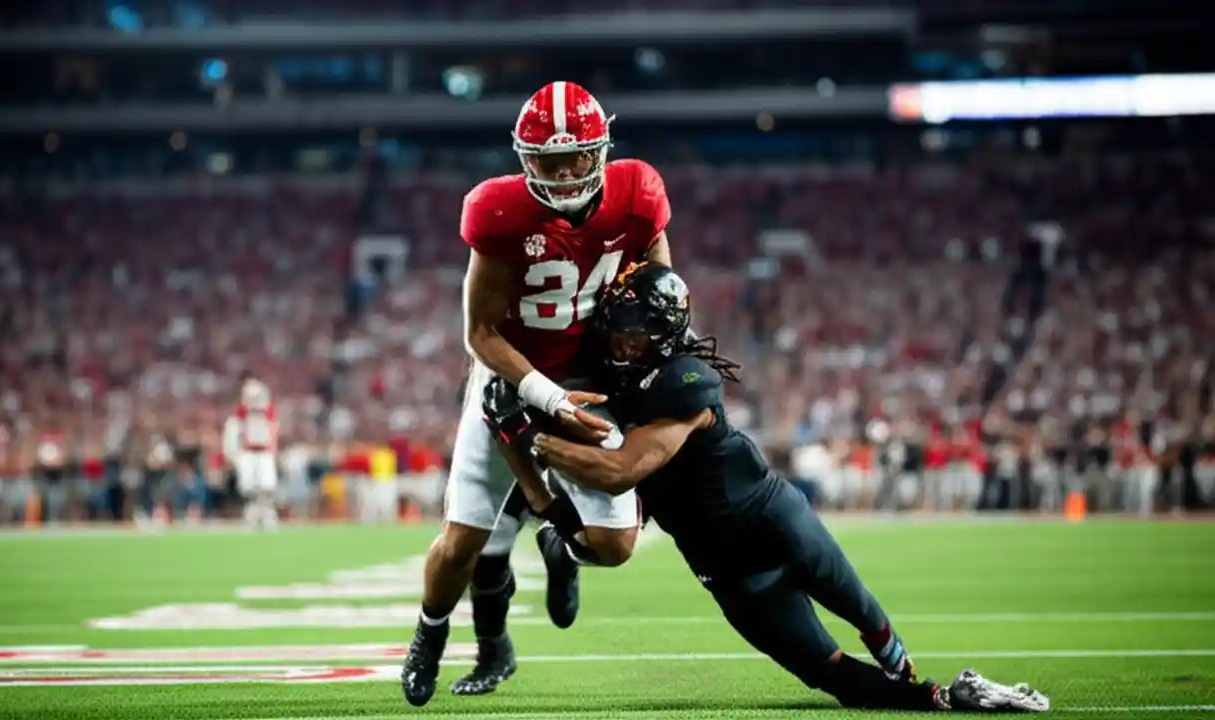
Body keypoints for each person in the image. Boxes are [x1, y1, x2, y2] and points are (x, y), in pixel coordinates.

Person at [484, 262, 1050, 713]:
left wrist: (535, 435)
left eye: (632, 332)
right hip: (729, 575)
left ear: (661, 333)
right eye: (615, 326)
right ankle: (940, 699)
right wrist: (524, 414)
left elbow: (623, 469)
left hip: (773, 522)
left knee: (867, 616)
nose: (619, 341)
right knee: (834, 678)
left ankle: (921, 683)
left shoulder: (687, 377)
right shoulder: (611, 371)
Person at [401, 80, 674, 706]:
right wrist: (545, 397)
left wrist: (653, 368)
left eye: (576, 155)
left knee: (614, 546)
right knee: (462, 540)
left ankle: (558, 540)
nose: (564, 170)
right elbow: (478, 333)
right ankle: (430, 634)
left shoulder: (638, 195)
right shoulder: (499, 210)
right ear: (524, 159)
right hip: (512, 376)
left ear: (600, 149)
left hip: (596, 384)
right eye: (548, 159)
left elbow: (661, 295)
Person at [222, 378, 280, 531]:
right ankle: (253, 512)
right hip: (248, 452)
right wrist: (233, 453)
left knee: (266, 485)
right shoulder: (241, 413)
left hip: (264, 451)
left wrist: (273, 449)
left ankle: (267, 513)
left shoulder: (268, 412)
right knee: (249, 485)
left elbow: (272, 431)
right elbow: (235, 432)